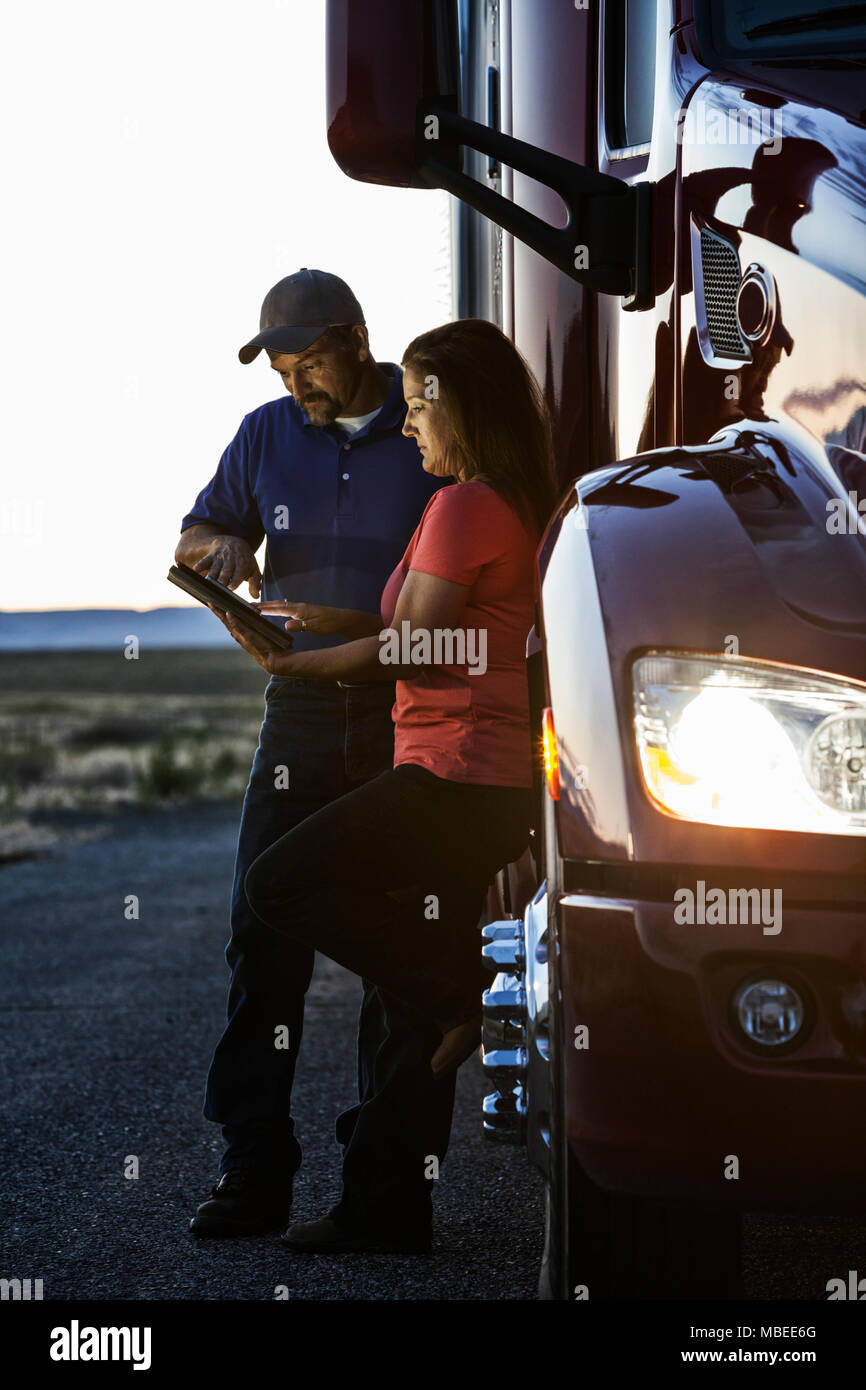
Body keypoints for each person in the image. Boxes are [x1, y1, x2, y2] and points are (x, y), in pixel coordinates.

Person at [211, 317, 558, 1252]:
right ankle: (387, 1202)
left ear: (463, 407)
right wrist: (306, 622)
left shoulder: (466, 506)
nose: (409, 428)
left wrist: (302, 670)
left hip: (454, 777)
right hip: (471, 776)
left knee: (278, 884)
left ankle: (466, 992)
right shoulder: (494, 502)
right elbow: (415, 622)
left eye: (418, 408)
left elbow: (417, 646)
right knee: (404, 1013)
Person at [176, 269, 451, 1250]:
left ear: (356, 338)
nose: (297, 385)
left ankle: (388, 1189)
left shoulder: (430, 427)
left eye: (310, 363)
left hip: (408, 711)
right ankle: (253, 1166)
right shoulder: (263, 435)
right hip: (296, 710)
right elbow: (204, 523)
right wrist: (213, 552)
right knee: (262, 928)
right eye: (284, 369)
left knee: (397, 942)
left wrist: (362, 627)